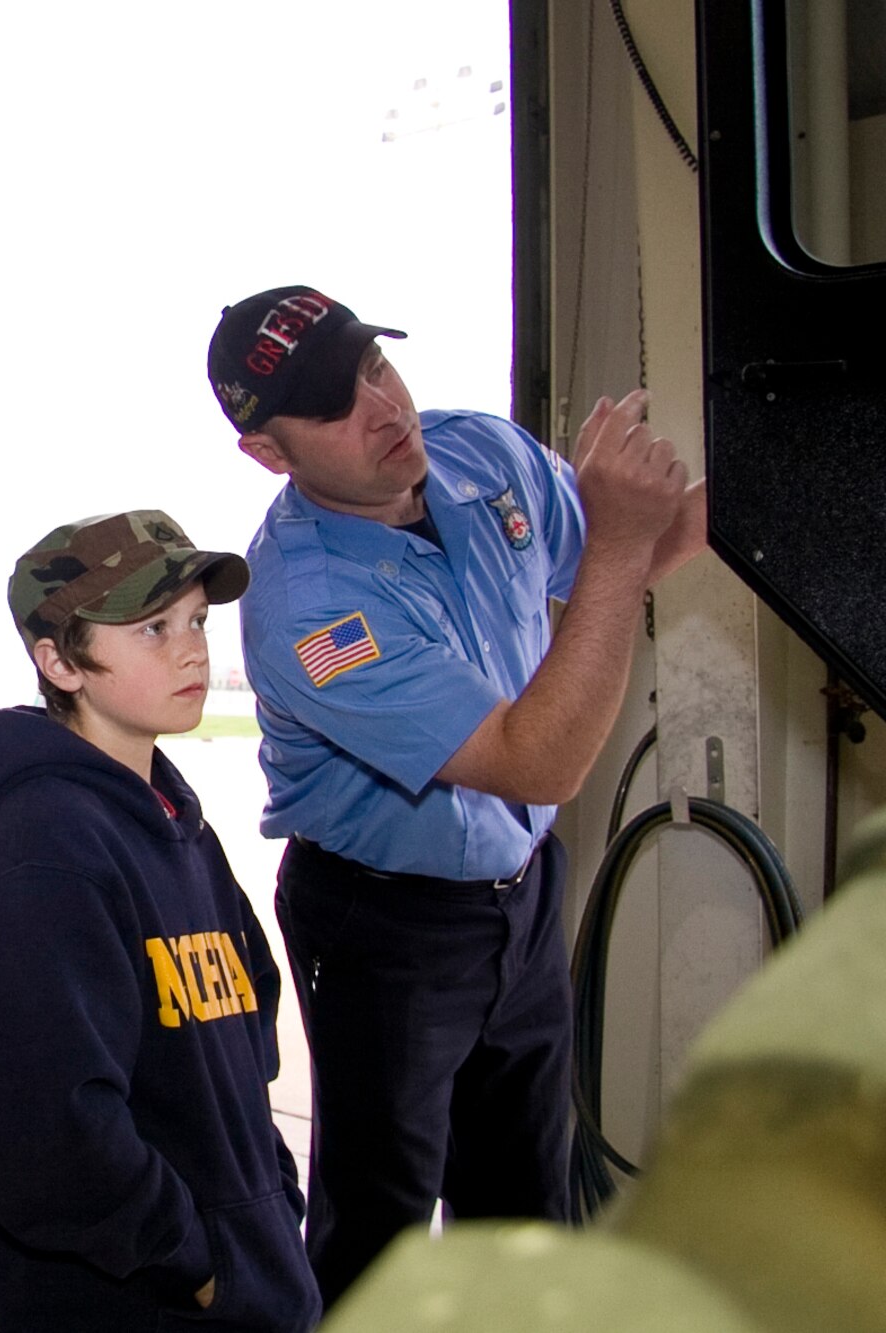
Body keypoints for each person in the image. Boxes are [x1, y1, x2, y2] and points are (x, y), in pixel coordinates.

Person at [209, 285, 707, 1308]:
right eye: (333, 403)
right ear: (269, 452)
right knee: (378, 1222)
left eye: (373, 368)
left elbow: (624, 550)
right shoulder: (308, 606)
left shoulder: (478, 450)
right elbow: (536, 762)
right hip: (383, 921)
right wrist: (615, 544)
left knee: (522, 1200)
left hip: (517, 890)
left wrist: (706, 499)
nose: (383, 407)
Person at [0, 511, 319, 1333]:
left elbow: (246, 1029)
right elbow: (47, 1133)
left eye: (196, 620)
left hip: (238, 1266)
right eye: (153, 627)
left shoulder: (174, 815)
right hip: (134, 1295)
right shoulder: (45, 847)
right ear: (60, 661)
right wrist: (194, 1261)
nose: (192, 648)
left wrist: (268, 1191)